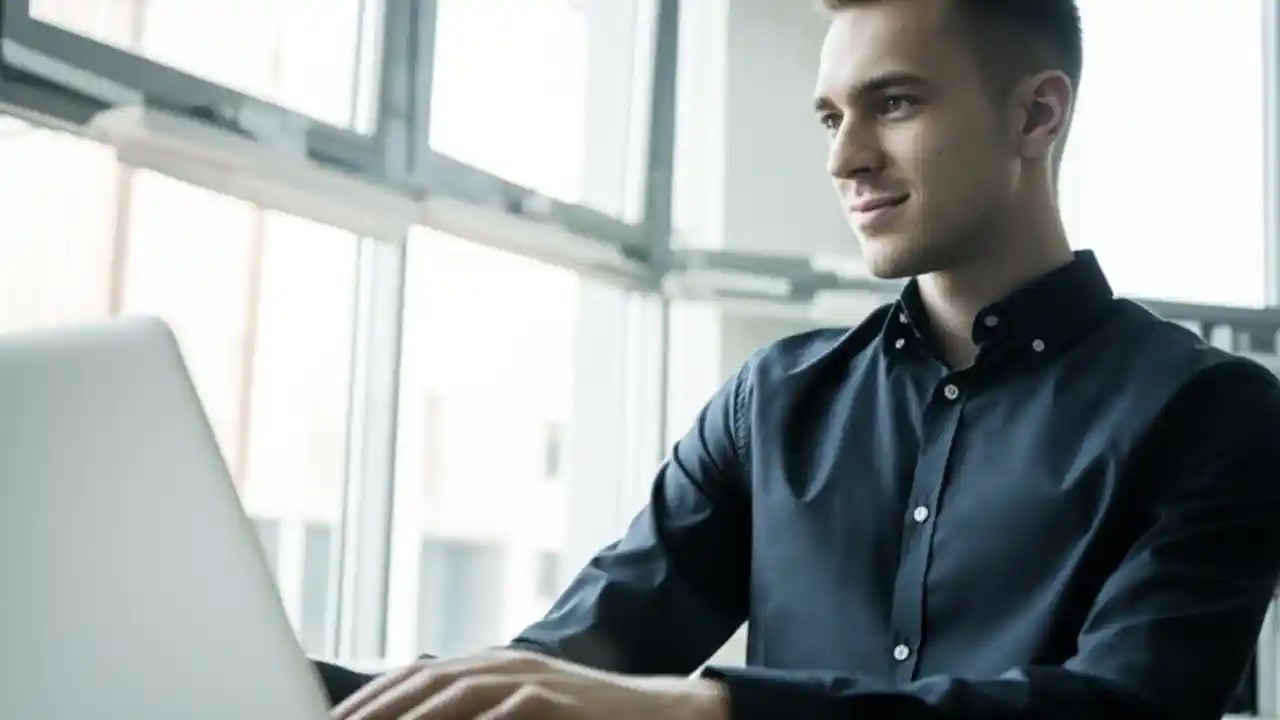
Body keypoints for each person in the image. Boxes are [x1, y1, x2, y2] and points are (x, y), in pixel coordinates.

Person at [329, 0, 1280, 717]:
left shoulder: (1215, 413)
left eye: (893, 103)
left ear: (1037, 116)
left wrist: (715, 708)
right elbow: (574, 660)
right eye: (831, 118)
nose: (845, 159)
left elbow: (1124, 708)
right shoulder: (772, 401)